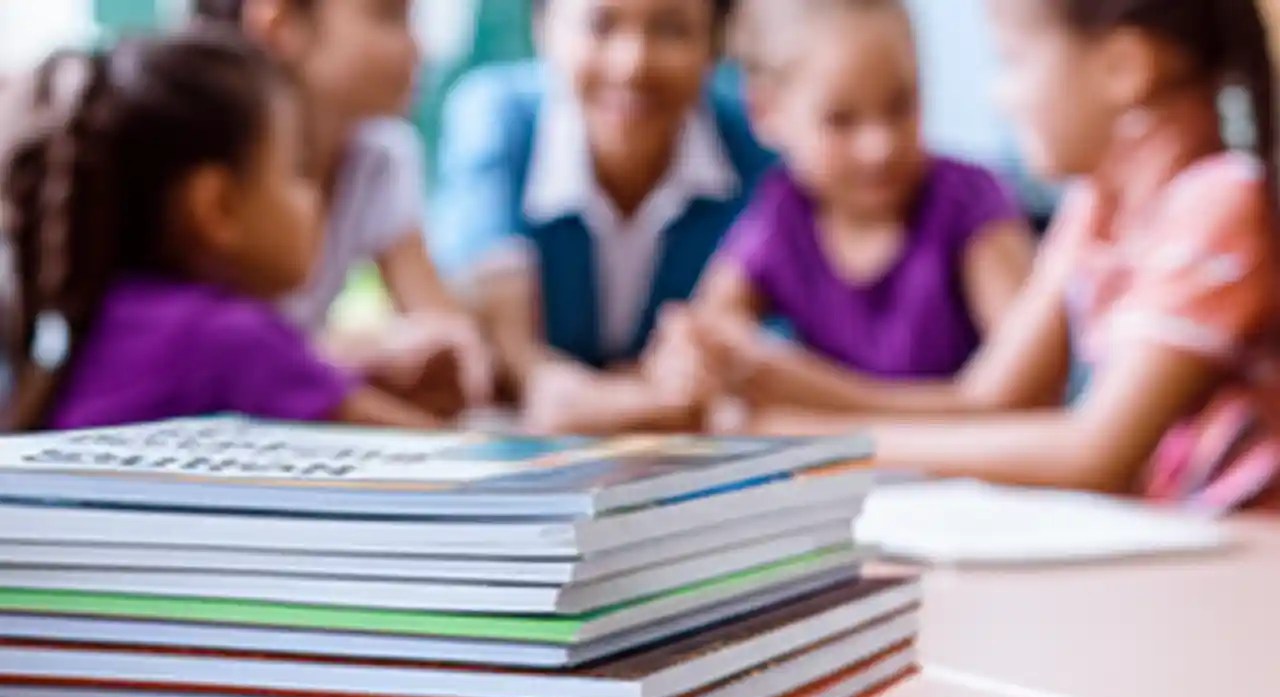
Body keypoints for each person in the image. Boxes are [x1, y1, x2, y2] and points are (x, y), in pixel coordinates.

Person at [680, 0, 1280, 513]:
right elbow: (988, 393)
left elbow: (1093, 454)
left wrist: (801, 437)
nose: (1002, 97)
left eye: (1012, 62)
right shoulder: (1095, 204)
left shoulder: (1219, 199)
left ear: (1123, 69)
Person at [0, 31, 444, 430]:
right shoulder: (230, 341)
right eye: (296, 170)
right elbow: (434, 459)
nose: (314, 200)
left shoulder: (109, 319)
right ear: (218, 208)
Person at [429, 0, 773, 433]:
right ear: (543, 28)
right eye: (599, 24)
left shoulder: (760, 144)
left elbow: (763, 340)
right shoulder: (497, 118)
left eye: (671, 30)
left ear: (716, 43)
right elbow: (503, 339)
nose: (632, 64)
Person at [669, 0, 1032, 405]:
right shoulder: (781, 215)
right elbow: (708, 331)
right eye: (841, 119)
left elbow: (1027, 391)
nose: (880, 146)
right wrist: (696, 354)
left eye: (900, 105)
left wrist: (806, 386)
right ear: (765, 112)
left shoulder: (970, 204)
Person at [194, 0, 492, 415]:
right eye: (388, 17)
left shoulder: (381, 155)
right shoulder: (204, 168)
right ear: (280, 24)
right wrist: (342, 360)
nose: (417, 48)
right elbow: (222, 356)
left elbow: (451, 340)